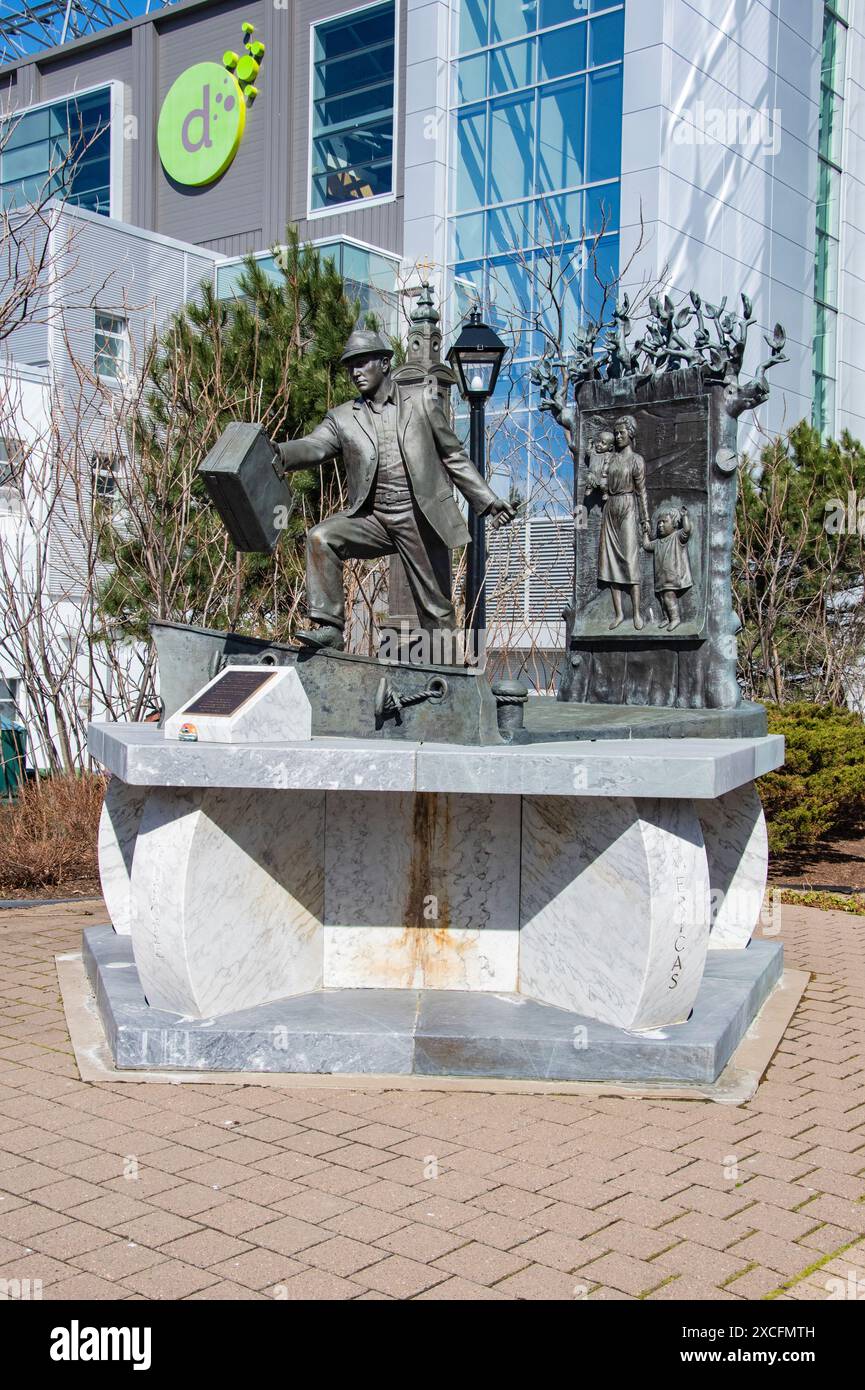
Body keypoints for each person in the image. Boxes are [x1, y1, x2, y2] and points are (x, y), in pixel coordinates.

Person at [276, 330, 515, 650]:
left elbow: (453, 456)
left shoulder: (422, 403)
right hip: (372, 518)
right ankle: (329, 626)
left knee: (434, 605)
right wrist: (277, 454)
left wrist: (487, 501)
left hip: (419, 516)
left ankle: (449, 672)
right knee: (322, 537)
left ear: (385, 363)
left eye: (362, 363)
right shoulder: (343, 417)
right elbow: (314, 446)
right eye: (350, 367)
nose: (355, 372)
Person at [596, 414, 651, 630]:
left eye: (622, 433)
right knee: (610, 563)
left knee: (630, 561)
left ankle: (636, 613)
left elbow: (642, 491)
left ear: (631, 434)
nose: (618, 436)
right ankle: (619, 614)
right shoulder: (610, 459)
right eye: (616, 433)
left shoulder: (637, 460)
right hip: (610, 509)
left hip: (628, 506)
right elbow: (600, 480)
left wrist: (645, 518)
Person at [643, 506, 693, 631]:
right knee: (662, 599)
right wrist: (645, 533)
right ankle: (666, 617)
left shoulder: (676, 536)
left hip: (672, 576)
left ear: (674, 524)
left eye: (664, 522)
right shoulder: (658, 542)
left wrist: (684, 516)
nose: (660, 525)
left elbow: (687, 530)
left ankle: (675, 618)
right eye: (659, 523)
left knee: (669, 597)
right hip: (661, 577)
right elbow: (647, 546)